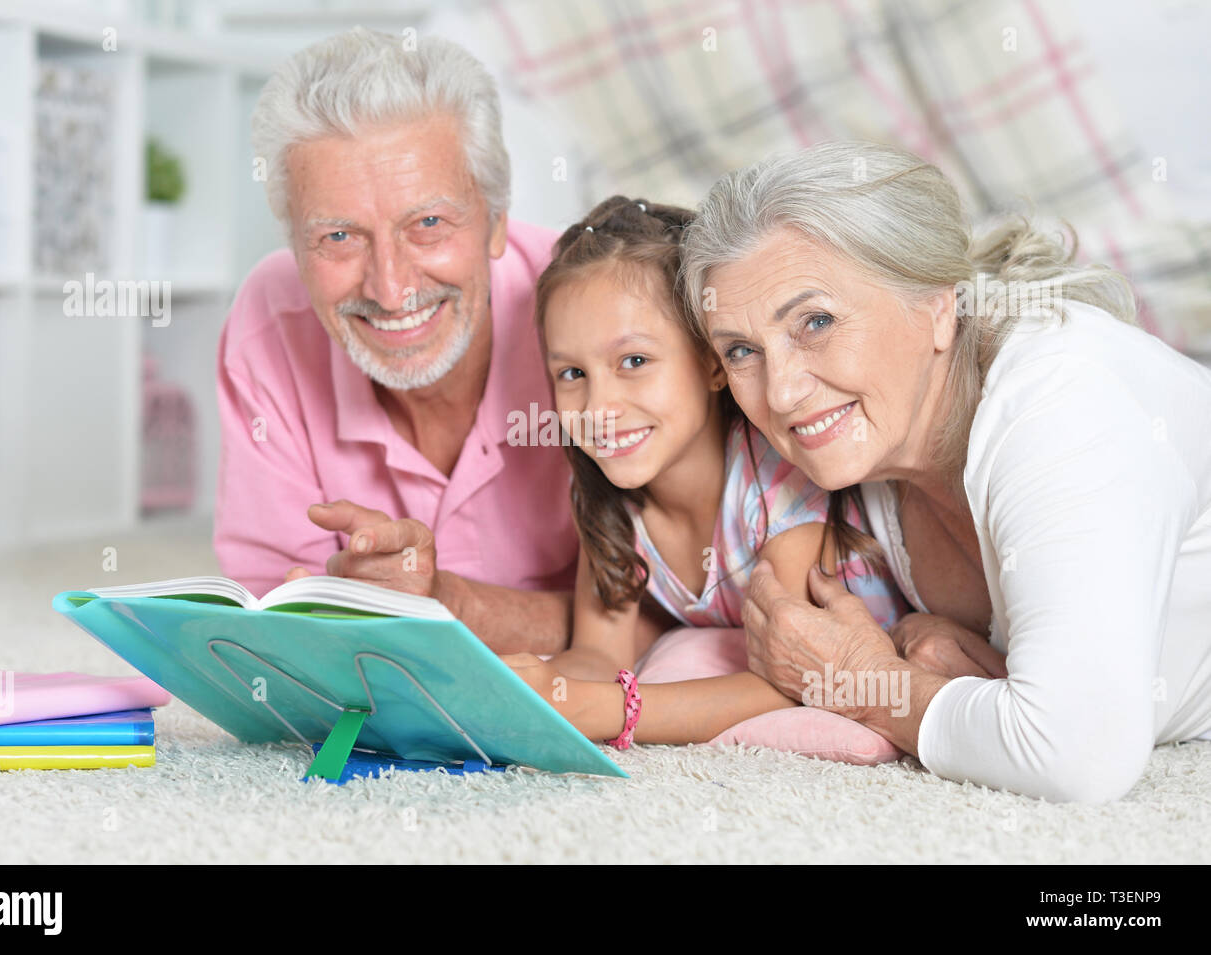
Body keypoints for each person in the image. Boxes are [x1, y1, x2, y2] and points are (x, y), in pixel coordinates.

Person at [681, 140, 1211, 802]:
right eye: (741, 350)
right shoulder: (870, 444)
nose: (782, 392)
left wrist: (858, 679)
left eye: (816, 321)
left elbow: (1076, 751)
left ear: (935, 305)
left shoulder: (1061, 400)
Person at [213, 28, 667, 655]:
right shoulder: (270, 319)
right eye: (339, 238)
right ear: (295, 246)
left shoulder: (608, 324)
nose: (392, 290)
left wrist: (442, 604)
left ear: (497, 220)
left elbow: (683, 620)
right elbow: (265, 623)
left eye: (428, 224)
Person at [503, 196, 909, 744]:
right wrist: (538, 686)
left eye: (634, 362)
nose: (597, 408)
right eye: (572, 372)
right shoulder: (613, 502)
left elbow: (791, 680)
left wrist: (609, 711)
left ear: (713, 364)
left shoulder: (780, 482)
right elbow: (599, 653)